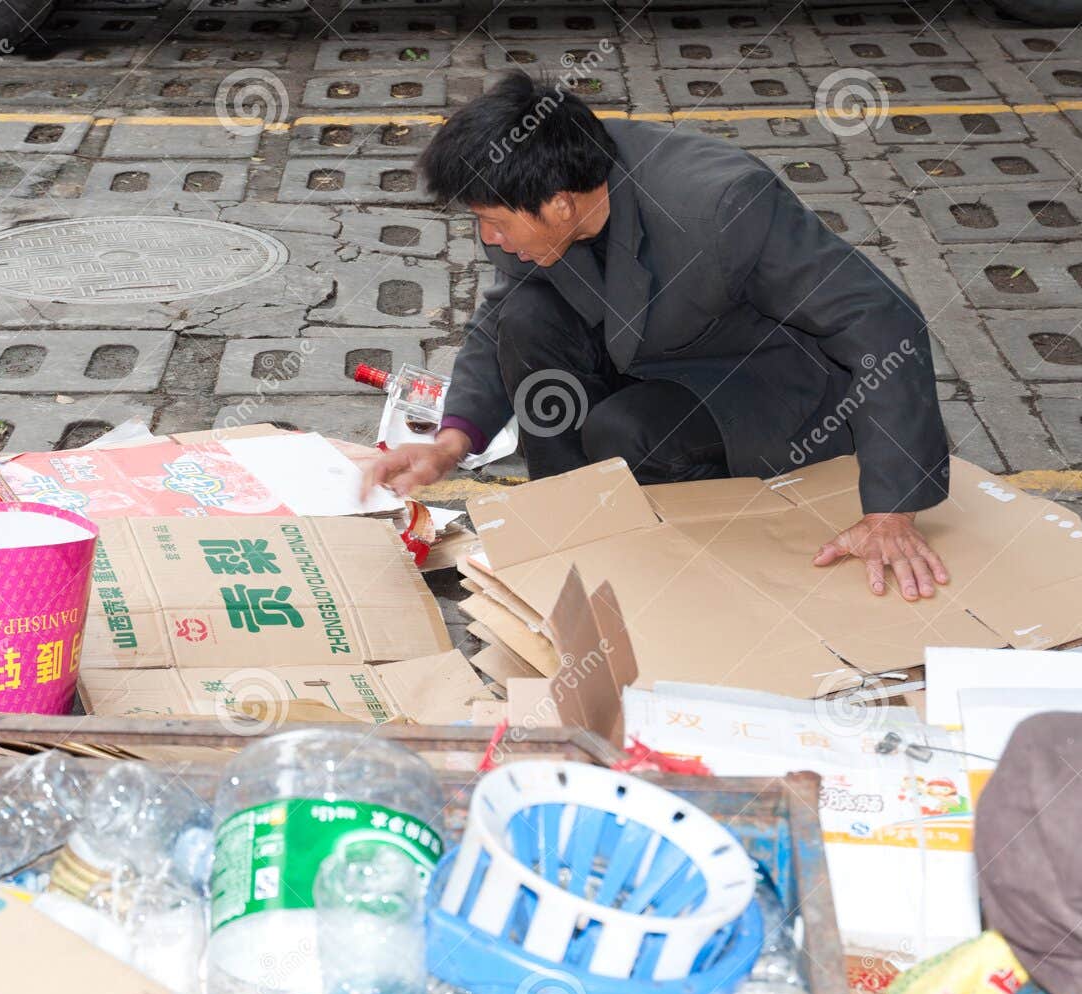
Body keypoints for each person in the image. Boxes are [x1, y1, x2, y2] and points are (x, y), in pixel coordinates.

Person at [363, 73, 953, 602]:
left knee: (624, 431)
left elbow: (880, 319)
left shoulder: (722, 204)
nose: (489, 238)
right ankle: (571, 521)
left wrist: (892, 509)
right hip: (647, 346)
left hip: (766, 378)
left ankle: (680, 545)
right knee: (528, 318)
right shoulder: (539, 185)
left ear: (560, 205)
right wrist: (451, 444)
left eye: (495, 222)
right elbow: (500, 320)